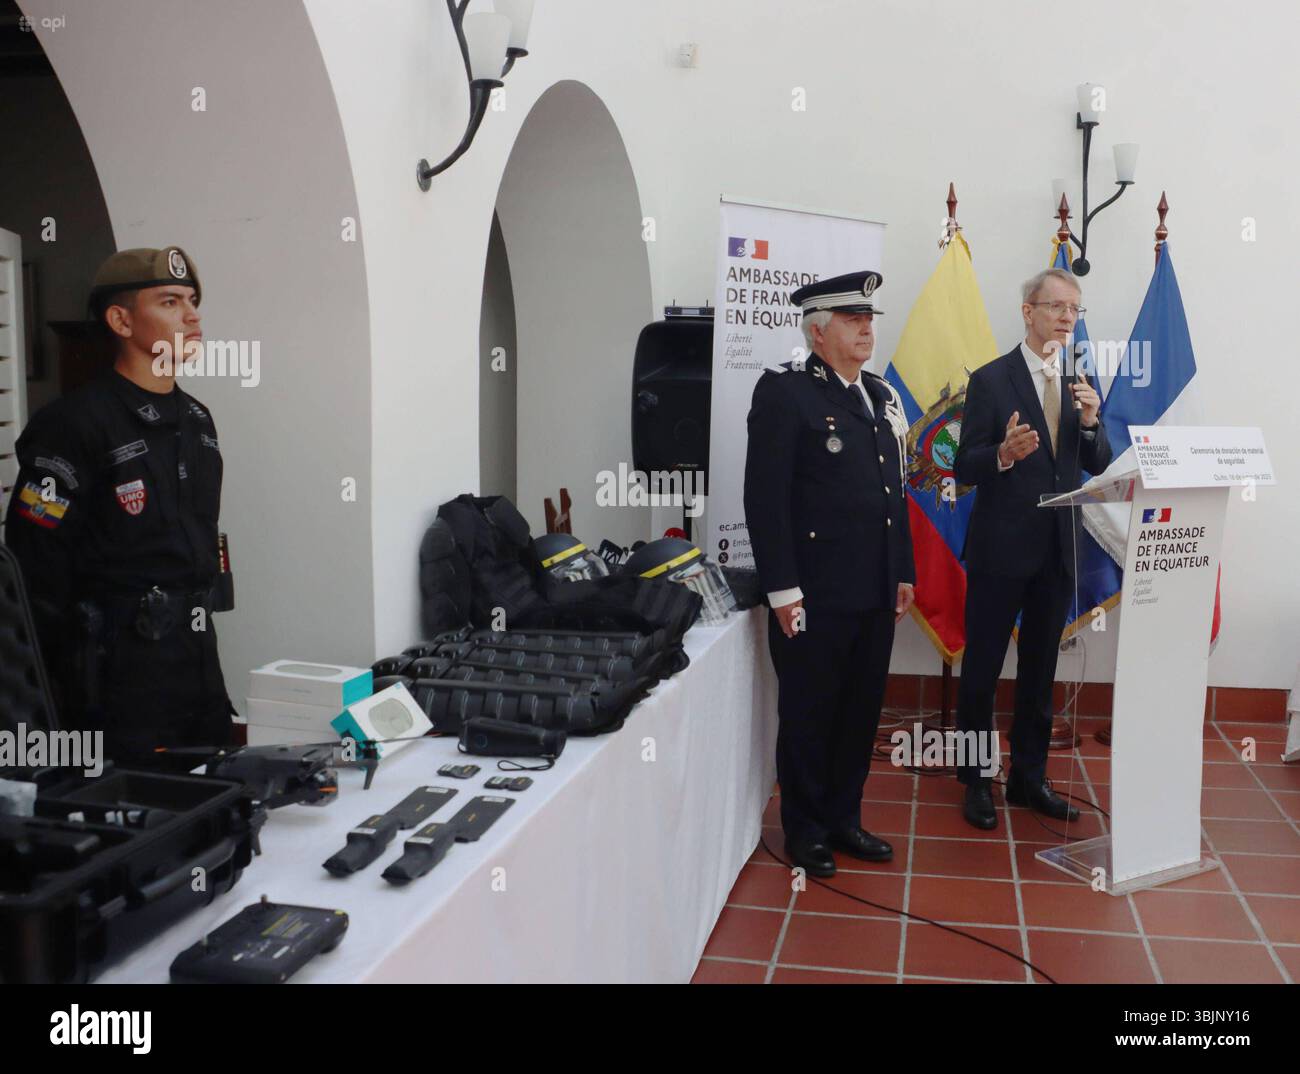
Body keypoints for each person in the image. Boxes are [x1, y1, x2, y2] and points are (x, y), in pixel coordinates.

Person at [5, 246, 235, 762]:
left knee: (215, 802)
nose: (193, 315)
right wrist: (52, 700)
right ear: (121, 320)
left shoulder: (198, 420)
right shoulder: (74, 424)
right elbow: (34, 575)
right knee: (141, 820)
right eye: (171, 301)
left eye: (193, 301)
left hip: (197, 660)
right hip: (115, 676)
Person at [744, 270, 916, 877]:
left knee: (859, 710)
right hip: (813, 593)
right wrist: (783, 590)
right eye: (852, 319)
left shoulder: (878, 395)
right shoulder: (787, 394)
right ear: (819, 332)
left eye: (869, 318)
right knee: (811, 713)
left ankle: (846, 817)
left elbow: (893, 496)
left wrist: (903, 571)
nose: (867, 328)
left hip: (873, 589)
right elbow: (765, 502)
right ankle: (807, 827)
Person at [953, 267, 1112, 830]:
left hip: (1057, 551)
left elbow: (1097, 462)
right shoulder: (992, 381)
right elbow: (962, 464)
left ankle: (1028, 777)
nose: (1068, 319)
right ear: (1028, 312)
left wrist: (1092, 423)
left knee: (1041, 670)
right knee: (982, 668)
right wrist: (1002, 453)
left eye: (1075, 310)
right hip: (1001, 550)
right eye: (1058, 308)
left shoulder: (1079, 382)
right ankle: (975, 780)